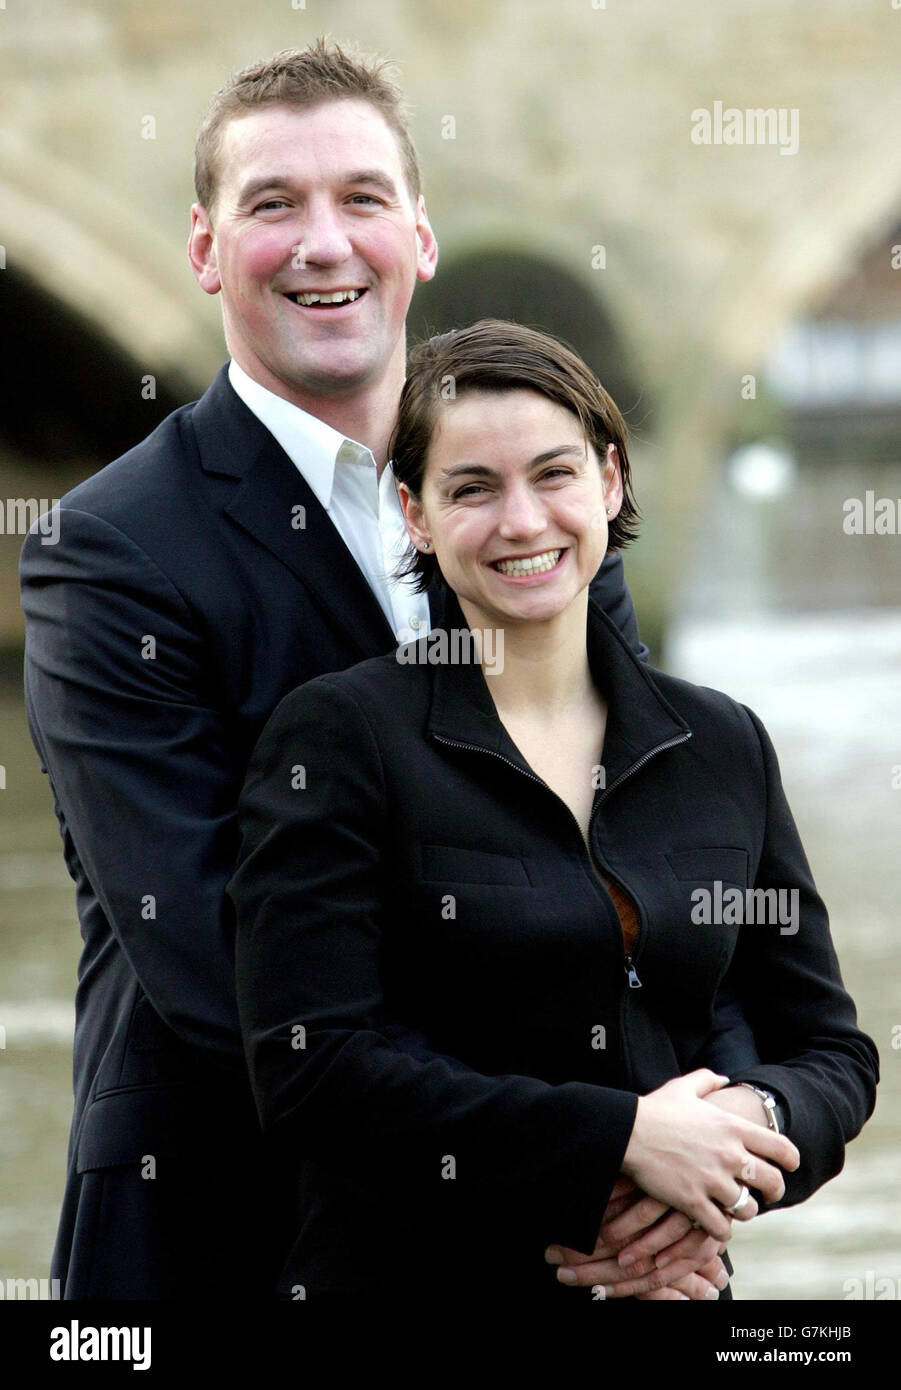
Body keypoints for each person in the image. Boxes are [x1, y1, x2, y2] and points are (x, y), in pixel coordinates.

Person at [18, 42, 672, 1301]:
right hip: (234, 1237)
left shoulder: (533, 511)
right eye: (274, 205)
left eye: (362, 199)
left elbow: (666, 861)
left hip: (572, 1254)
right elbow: (220, 959)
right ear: (206, 249)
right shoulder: (108, 555)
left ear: (419, 238)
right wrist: (595, 1138)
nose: (325, 243)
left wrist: (695, 1157)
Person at [228, 319, 879, 1305]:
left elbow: (829, 1050)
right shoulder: (340, 734)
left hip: (673, 1287)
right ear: (413, 512)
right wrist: (621, 1142)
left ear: (609, 482)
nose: (522, 520)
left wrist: (730, 1142)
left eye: (553, 474)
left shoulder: (721, 743)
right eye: (472, 488)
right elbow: (312, 1070)